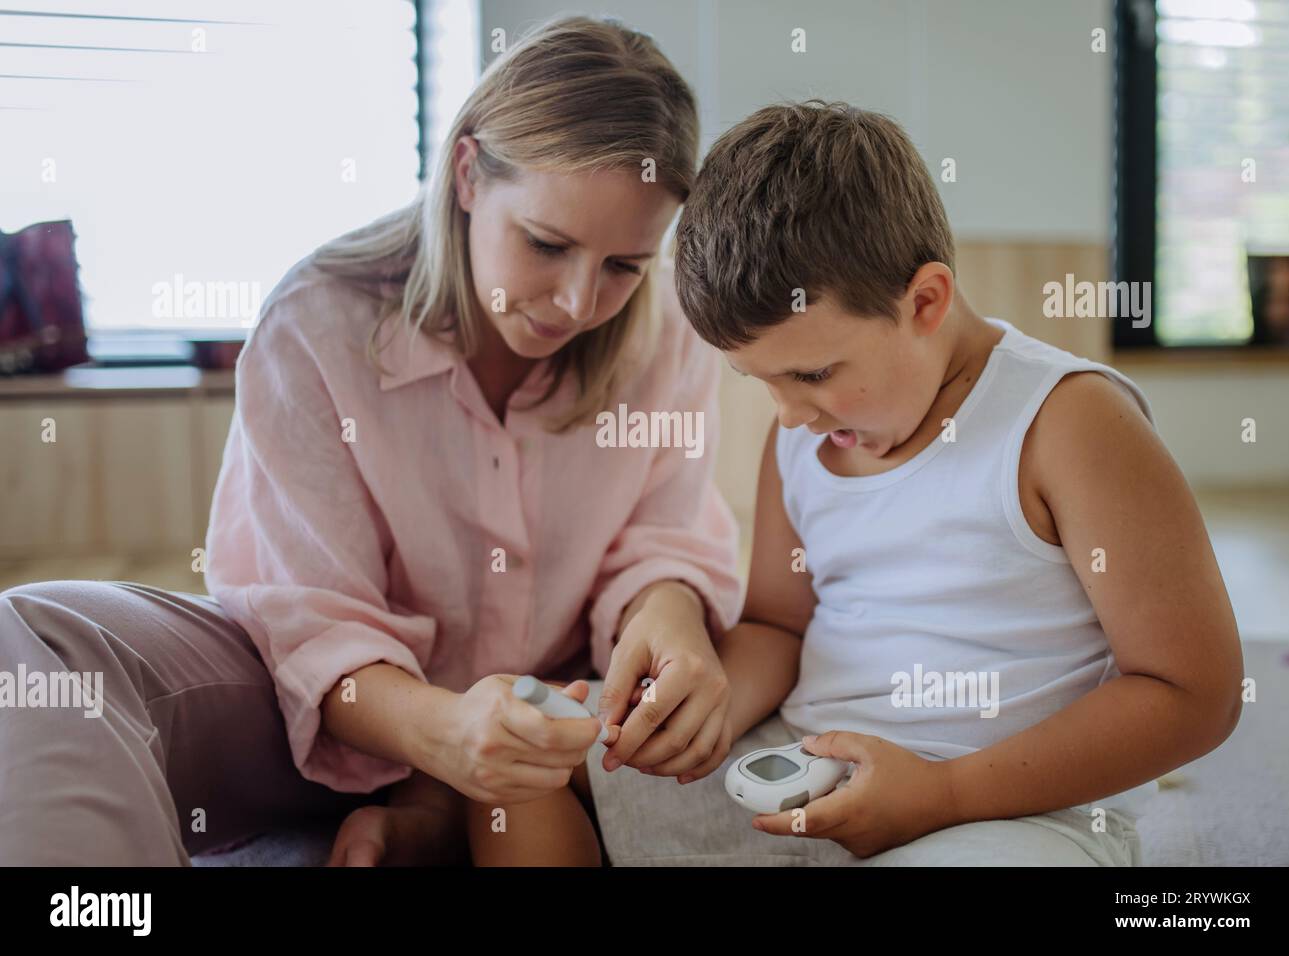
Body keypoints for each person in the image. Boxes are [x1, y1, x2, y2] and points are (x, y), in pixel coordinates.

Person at [0, 15, 743, 867]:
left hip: (559, 720)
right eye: (546, 244)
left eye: (624, 266)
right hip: (312, 713)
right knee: (33, 636)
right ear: (467, 174)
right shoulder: (314, 326)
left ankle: (431, 810)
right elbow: (309, 626)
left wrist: (674, 623)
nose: (579, 301)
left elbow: (661, 546)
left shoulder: (671, 336)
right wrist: (441, 738)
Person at [576, 101, 1245, 866]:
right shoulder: (802, 435)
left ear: (925, 301)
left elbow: (1196, 693)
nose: (790, 413)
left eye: (814, 373)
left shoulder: (1069, 424)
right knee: (546, 773)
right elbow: (776, 628)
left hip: (1005, 809)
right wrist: (707, 711)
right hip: (800, 767)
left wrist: (943, 793)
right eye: (758, 380)